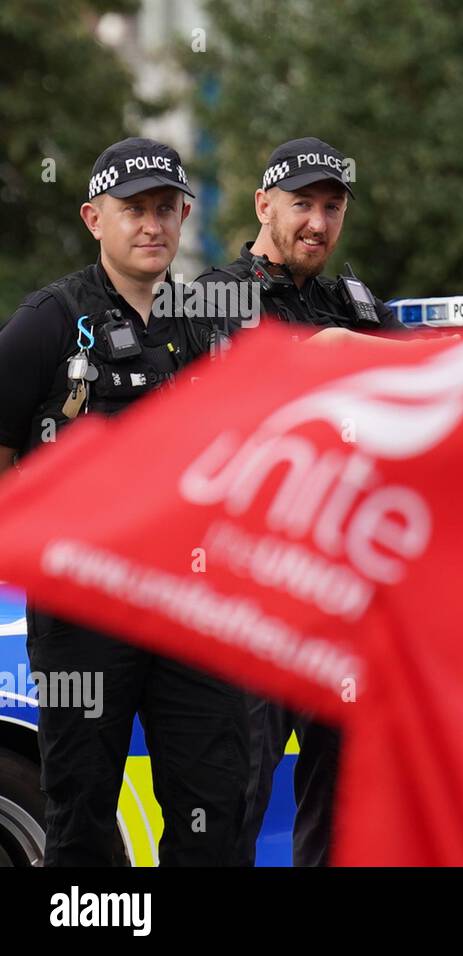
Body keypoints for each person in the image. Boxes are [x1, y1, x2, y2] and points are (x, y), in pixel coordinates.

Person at [0, 137, 248, 865]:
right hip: (82, 613)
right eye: (133, 209)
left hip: (192, 606)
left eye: (167, 208)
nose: (152, 225)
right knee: (80, 815)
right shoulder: (50, 319)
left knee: (216, 805)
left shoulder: (209, 321)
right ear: (93, 218)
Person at [190, 136, 404, 866]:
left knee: (344, 811)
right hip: (248, 597)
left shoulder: (355, 302)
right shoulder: (210, 299)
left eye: (332, 207)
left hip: (344, 594)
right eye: (303, 204)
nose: (318, 222)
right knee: (233, 801)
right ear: (262, 205)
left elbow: (416, 391)